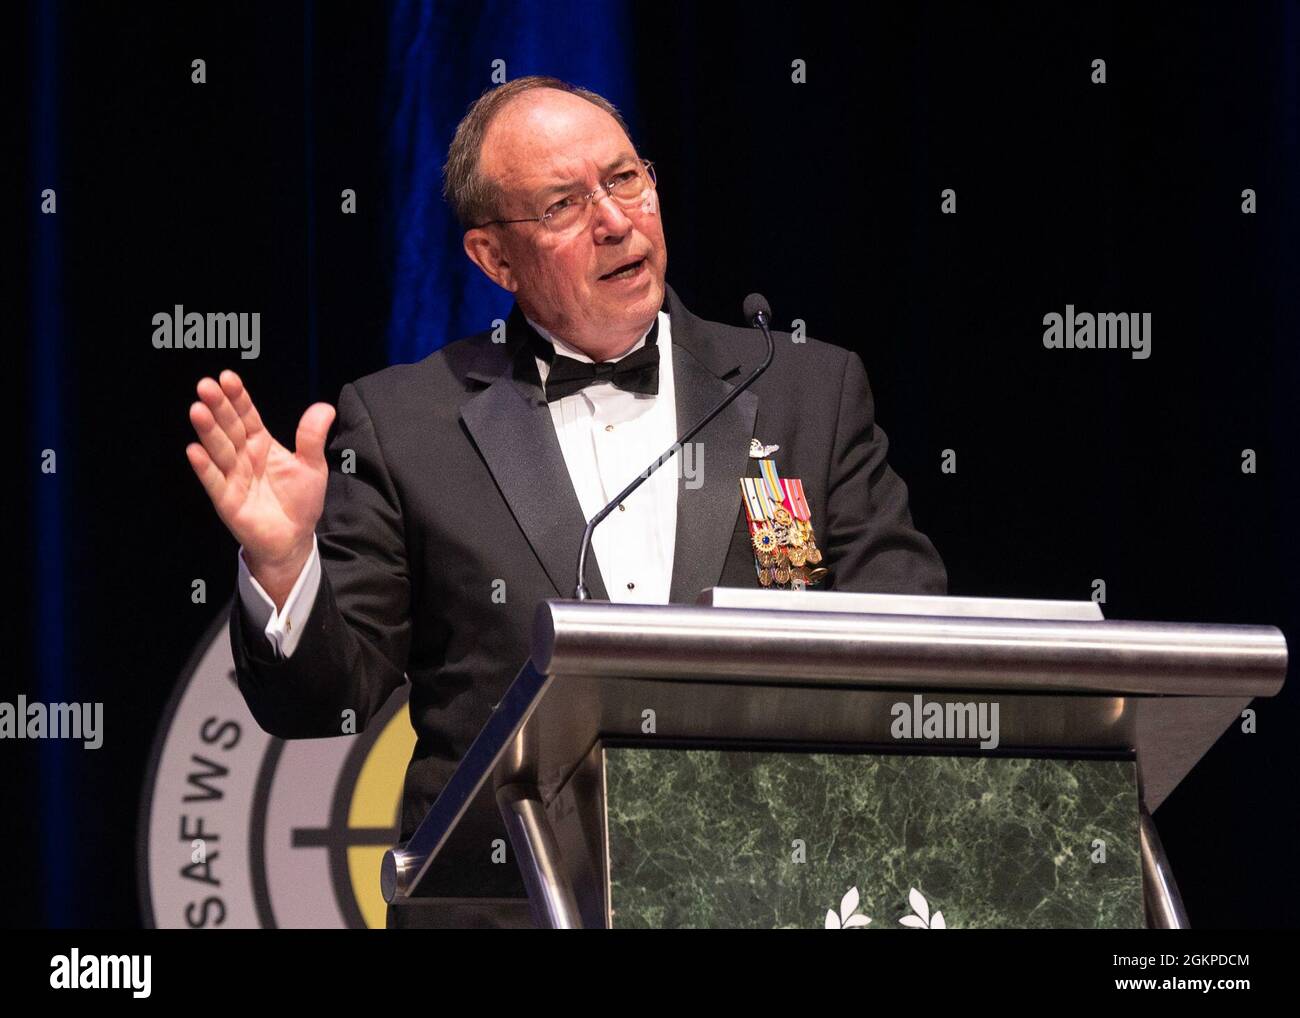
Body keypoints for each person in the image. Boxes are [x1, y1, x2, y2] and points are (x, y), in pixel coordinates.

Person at [185, 76, 946, 928]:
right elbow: (324, 700)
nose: (616, 220)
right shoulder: (405, 425)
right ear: (492, 259)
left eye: (625, 179)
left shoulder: (808, 387)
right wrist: (286, 566)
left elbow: (910, 636)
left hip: (771, 894)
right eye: (561, 205)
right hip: (507, 907)